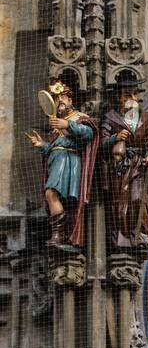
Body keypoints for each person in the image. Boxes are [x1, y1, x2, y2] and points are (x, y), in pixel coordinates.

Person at [26, 81, 98, 247]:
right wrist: (42, 145)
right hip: (57, 161)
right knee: (54, 196)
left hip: (69, 161)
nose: (60, 101)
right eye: (56, 99)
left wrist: (68, 125)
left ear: (71, 100)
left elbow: (89, 134)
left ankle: (59, 234)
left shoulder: (79, 118)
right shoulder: (57, 122)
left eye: (63, 97)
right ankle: (61, 234)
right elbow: (54, 146)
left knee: (51, 194)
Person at [100, 81, 148, 249]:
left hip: (138, 165)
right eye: (127, 94)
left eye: (135, 94)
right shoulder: (110, 117)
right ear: (119, 97)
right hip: (120, 166)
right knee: (120, 203)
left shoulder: (143, 118)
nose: (132, 99)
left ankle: (142, 235)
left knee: (138, 198)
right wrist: (115, 138)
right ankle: (122, 238)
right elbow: (102, 143)